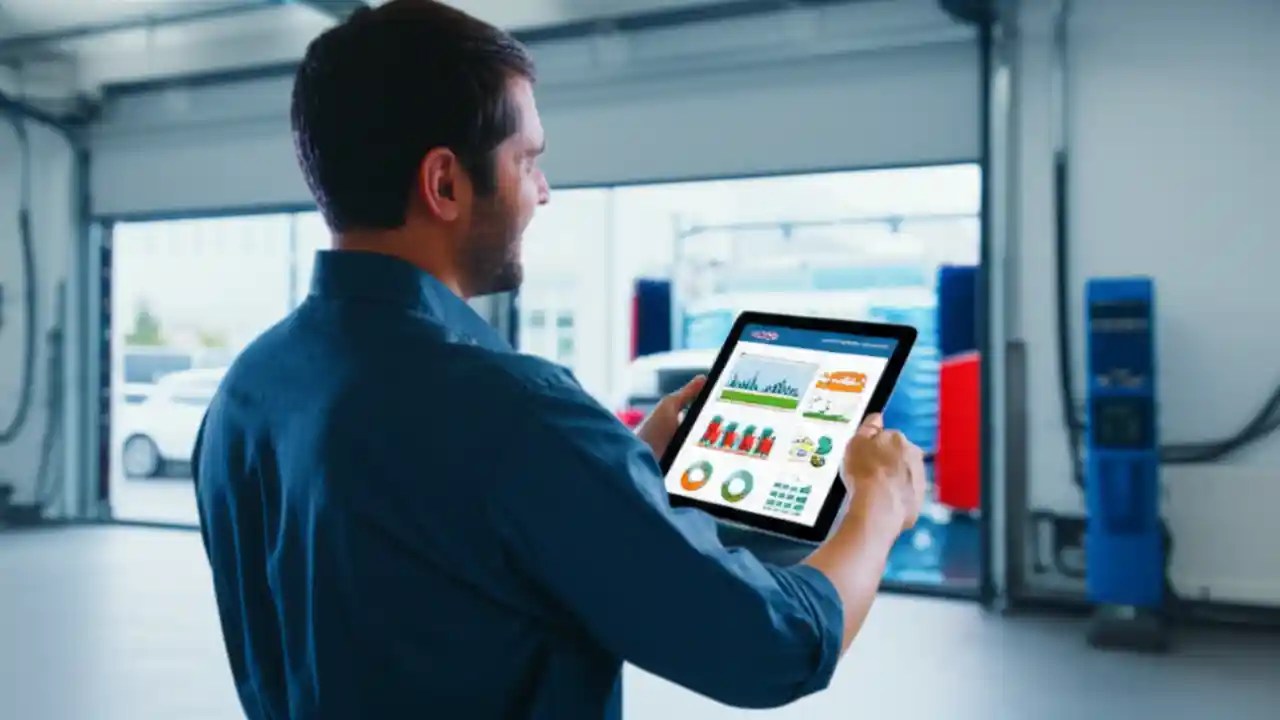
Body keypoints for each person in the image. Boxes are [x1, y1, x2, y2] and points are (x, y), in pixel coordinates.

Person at [191, 1, 928, 718]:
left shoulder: (248, 390)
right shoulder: (507, 410)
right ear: (444, 183)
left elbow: (428, 565)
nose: (542, 192)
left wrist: (616, 470)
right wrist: (877, 506)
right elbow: (774, 647)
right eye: (528, 160)